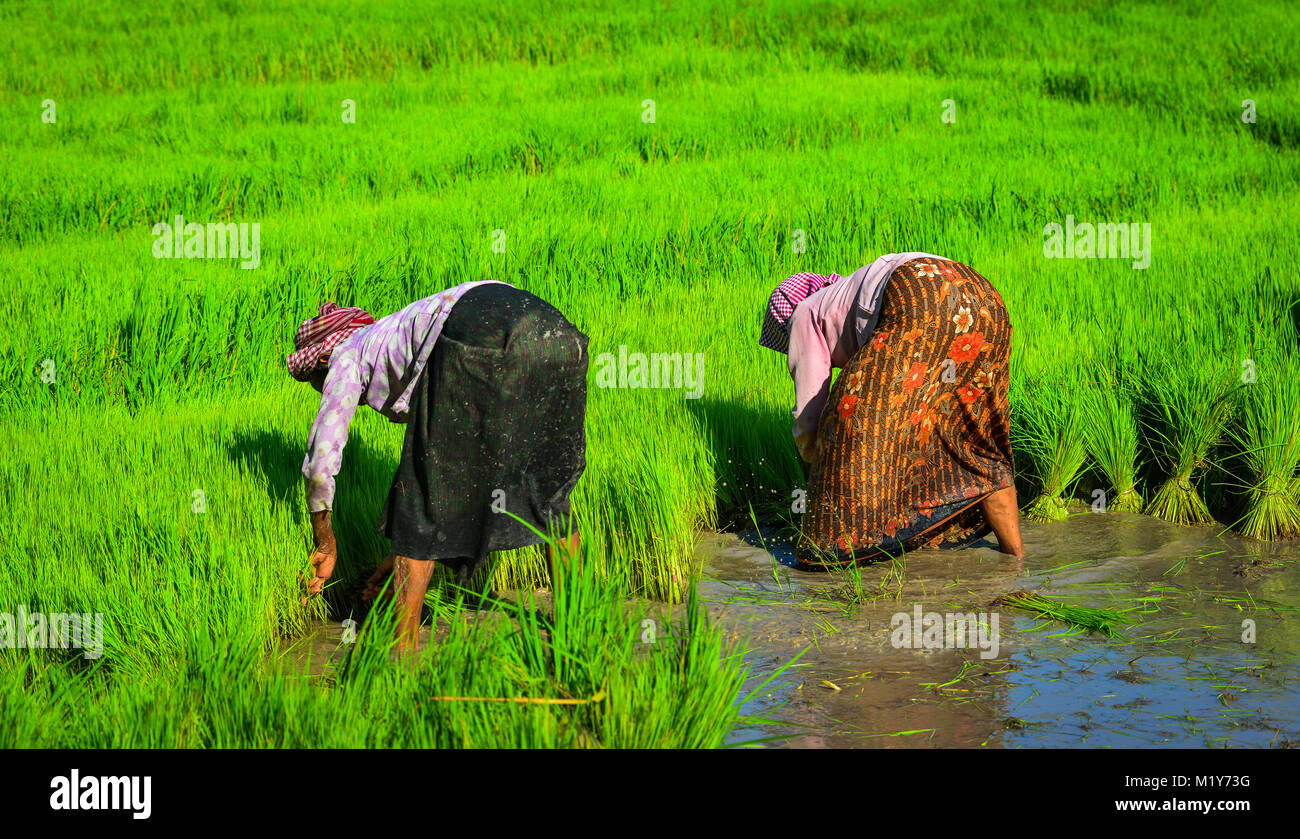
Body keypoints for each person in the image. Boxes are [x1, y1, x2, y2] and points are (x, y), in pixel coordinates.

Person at [289, 280, 588, 650]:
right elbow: (475, 474)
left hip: (476, 332)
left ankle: (402, 658)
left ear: (320, 361)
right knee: (547, 495)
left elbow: (321, 459)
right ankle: (578, 636)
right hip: (558, 336)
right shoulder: (398, 333)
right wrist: (396, 559)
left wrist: (326, 542)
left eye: (314, 382)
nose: (320, 388)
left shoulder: (345, 355)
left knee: (418, 504)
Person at [759, 253, 1024, 566]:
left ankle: (828, 558)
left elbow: (810, 412)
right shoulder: (848, 293)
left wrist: (816, 467)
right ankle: (1016, 559)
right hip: (982, 298)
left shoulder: (804, 312)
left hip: (920, 300)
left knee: (846, 425)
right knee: (976, 442)